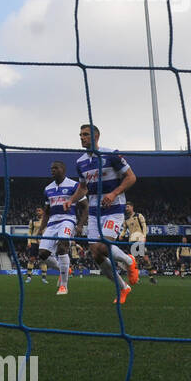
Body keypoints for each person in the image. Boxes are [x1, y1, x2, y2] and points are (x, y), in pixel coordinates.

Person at [64, 124, 139, 304]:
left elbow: (131, 177)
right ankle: (123, 288)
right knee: (96, 255)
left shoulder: (111, 154)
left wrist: (113, 193)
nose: (82, 137)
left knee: (103, 247)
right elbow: (82, 188)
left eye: (86, 134)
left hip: (114, 209)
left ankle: (129, 261)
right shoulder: (80, 162)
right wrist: (71, 200)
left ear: (96, 136)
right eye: (80, 134)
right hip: (94, 212)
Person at [33, 161, 84, 296]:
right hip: (52, 223)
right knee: (43, 254)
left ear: (63, 169)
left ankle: (63, 286)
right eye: (51, 169)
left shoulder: (74, 185)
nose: (52, 170)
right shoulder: (47, 189)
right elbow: (47, 211)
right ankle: (64, 270)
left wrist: (80, 225)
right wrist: (40, 229)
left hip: (68, 220)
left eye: (55, 168)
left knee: (62, 247)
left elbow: (85, 206)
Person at [123, 203, 157, 283]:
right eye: (126, 207)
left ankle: (151, 277)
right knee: (135, 261)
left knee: (145, 259)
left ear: (132, 207)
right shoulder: (127, 219)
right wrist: (122, 235)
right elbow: (124, 229)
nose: (126, 208)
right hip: (133, 241)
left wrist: (144, 237)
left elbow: (144, 226)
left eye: (128, 207)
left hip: (140, 240)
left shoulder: (138, 216)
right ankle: (136, 278)